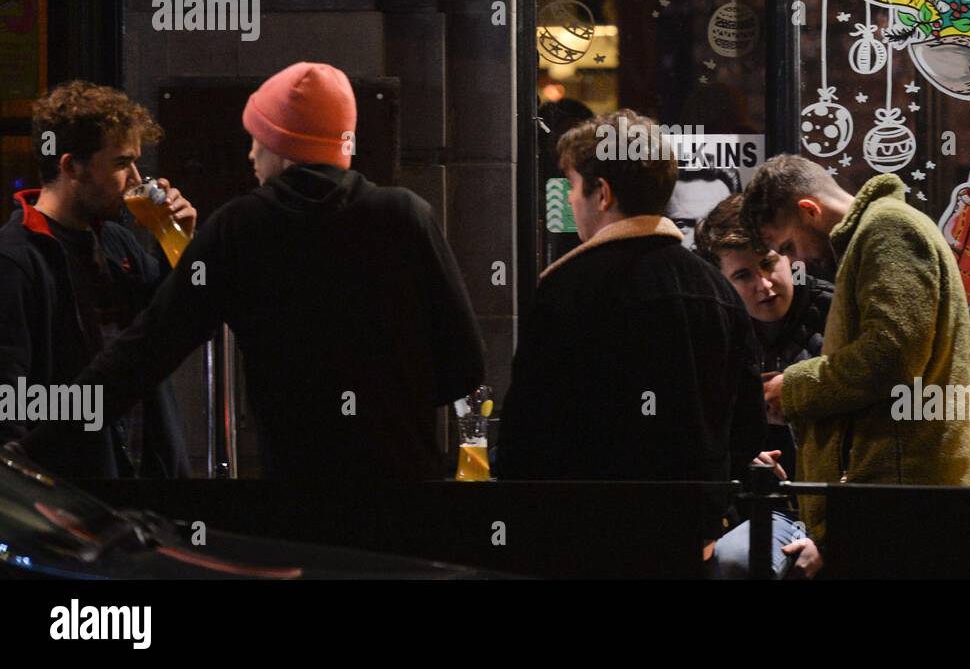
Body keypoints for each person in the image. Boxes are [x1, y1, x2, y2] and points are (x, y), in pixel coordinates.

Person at [15, 62, 485, 480]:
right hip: (408, 484)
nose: (250, 156)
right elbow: (464, 363)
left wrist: (29, 452)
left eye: (257, 139)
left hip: (297, 491)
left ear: (280, 144)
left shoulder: (241, 227)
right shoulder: (407, 214)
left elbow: (144, 353)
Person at [495, 110, 773, 570]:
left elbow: (530, 437)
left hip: (585, 543)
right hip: (689, 545)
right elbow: (747, 431)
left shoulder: (568, 289)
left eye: (572, 187)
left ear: (601, 193)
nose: (571, 202)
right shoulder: (717, 290)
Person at [740, 154, 970, 551]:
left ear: (809, 210)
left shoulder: (887, 229)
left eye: (788, 246)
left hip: (898, 500)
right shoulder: (872, 235)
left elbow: (893, 357)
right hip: (891, 495)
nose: (796, 260)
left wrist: (793, 388)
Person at [0, 81, 192, 479]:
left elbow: (170, 331)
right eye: (122, 163)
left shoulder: (117, 241)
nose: (137, 178)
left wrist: (178, 246)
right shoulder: (16, 260)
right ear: (71, 166)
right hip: (76, 498)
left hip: (144, 480)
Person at [693, 192, 834, 578]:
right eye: (743, 275)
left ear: (786, 255)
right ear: (721, 281)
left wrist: (832, 539)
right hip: (745, 507)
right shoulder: (713, 332)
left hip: (828, 505)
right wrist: (738, 455)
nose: (764, 284)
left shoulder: (835, 316)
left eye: (769, 263)